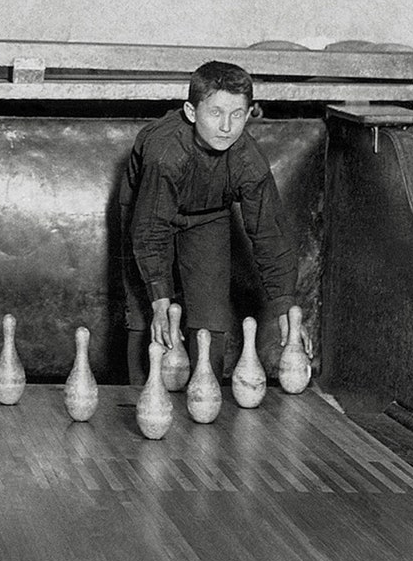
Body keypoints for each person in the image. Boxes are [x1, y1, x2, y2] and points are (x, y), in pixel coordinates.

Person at [119, 60, 302, 383]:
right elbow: (149, 232)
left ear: (248, 115)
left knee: (211, 316)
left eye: (236, 115)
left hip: (208, 216)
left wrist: (285, 307)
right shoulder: (166, 155)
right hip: (145, 212)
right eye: (215, 113)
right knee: (147, 313)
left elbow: (270, 234)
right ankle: (139, 396)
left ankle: (206, 394)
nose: (226, 127)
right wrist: (160, 300)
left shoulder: (249, 161)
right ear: (191, 112)